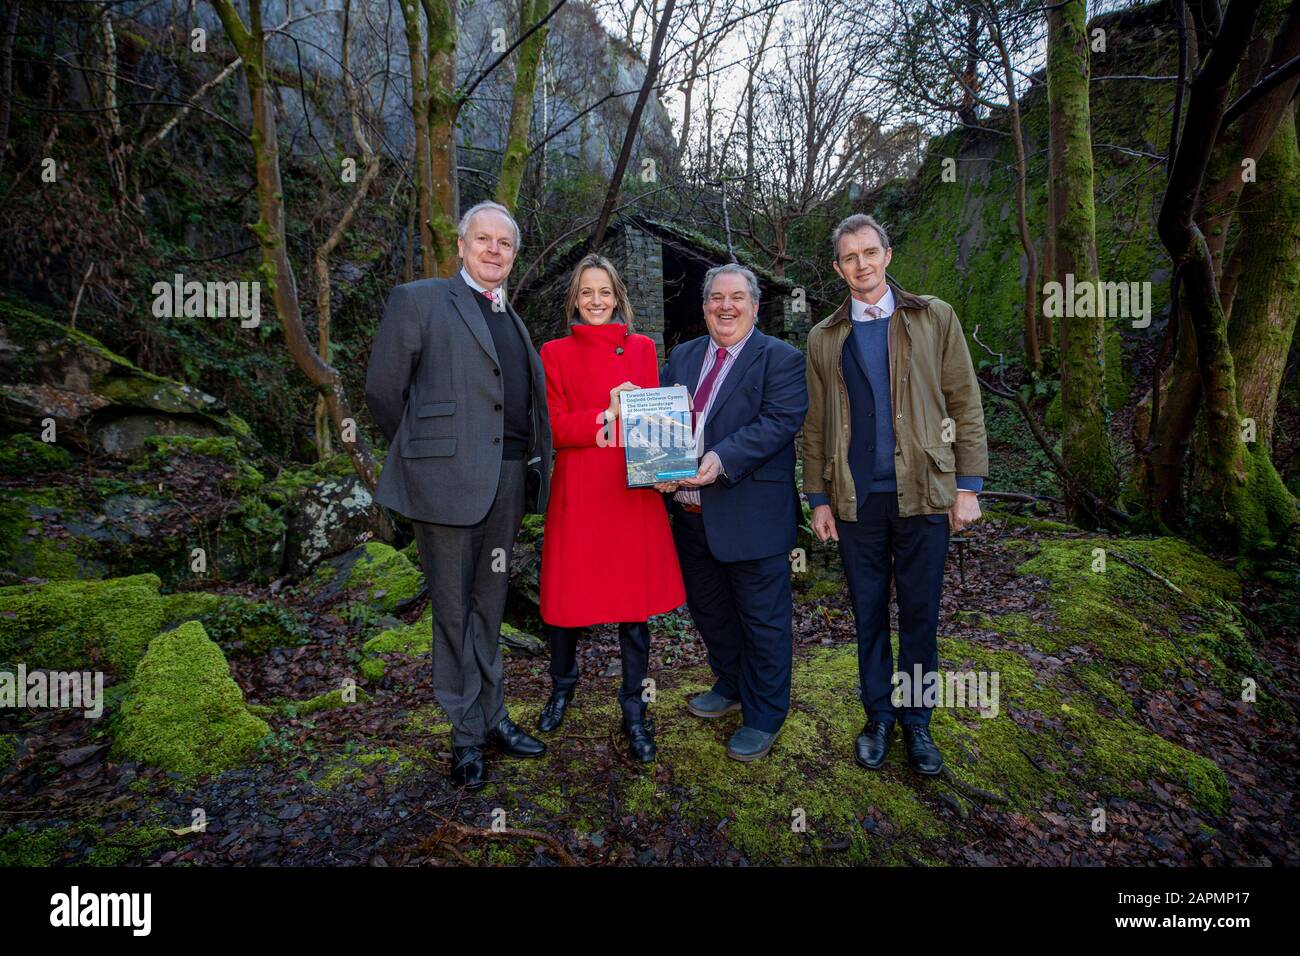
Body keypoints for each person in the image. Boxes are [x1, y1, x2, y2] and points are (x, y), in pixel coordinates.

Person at [365, 200, 552, 790]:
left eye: (505, 243)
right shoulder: (419, 300)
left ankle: (494, 718)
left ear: (513, 254)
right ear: (462, 245)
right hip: (446, 488)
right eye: (484, 239)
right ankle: (465, 736)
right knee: (451, 613)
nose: (495, 250)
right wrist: (426, 455)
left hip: (505, 486)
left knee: (488, 609)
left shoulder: (513, 319)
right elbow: (382, 392)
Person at [802, 213, 987, 776]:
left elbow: (965, 402)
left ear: (887, 255)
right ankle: (878, 715)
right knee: (867, 613)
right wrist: (817, 497)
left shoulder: (934, 317)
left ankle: (919, 722)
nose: (862, 264)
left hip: (927, 492)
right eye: (850, 257)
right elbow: (813, 426)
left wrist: (968, 485)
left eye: (870, 252)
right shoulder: (824, 337)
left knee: (921, 613)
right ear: (838, 268)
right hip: (857, 499)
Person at [535, 255, 686, 762]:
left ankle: (634, 709)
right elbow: (553, 428)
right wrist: (605, 412)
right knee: (567, 600)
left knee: (632, 603)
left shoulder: (643, 348)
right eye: (585, 292)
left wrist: (668, 468)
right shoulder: (553, 352)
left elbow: (656, 420)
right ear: (574, 300)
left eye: (604, 291)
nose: (595, 301)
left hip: (630, 489)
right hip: (580, 487)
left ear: (619, 296)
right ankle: (562, 686)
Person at [655, 264, 807, 762]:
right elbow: (661, 419)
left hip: (751, 514)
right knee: (710, 611)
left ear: (755, 306)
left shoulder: (780, 359)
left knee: (762, 620)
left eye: (736, 298)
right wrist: (655, 462)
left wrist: (722, 459)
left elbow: (779, 421)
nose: (725, 306)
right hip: (690, 514)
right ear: (703, 307)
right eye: (716, 298)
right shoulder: (682, 356)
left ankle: (764, 715)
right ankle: (731, 683)